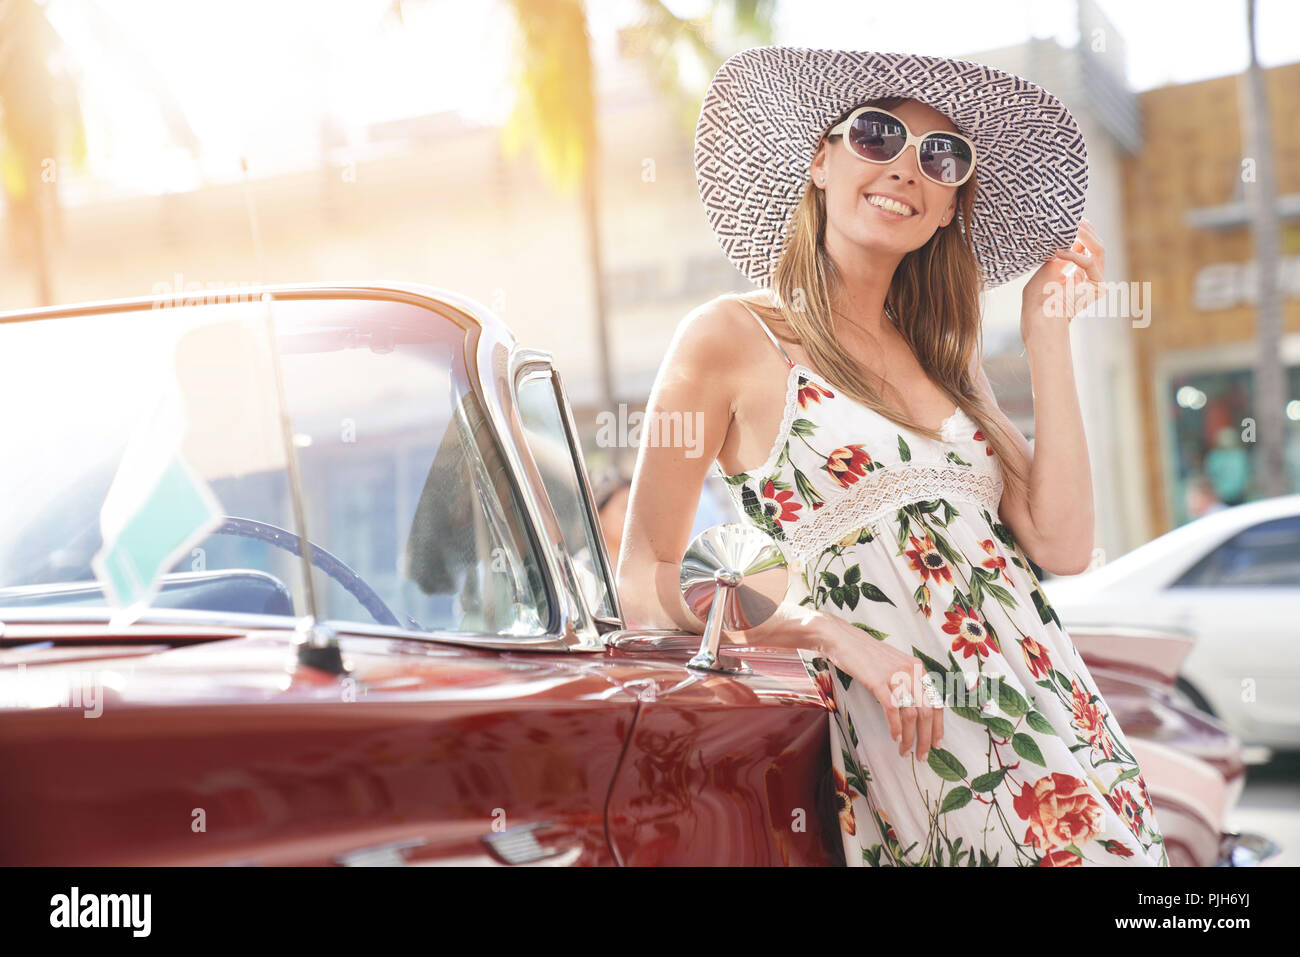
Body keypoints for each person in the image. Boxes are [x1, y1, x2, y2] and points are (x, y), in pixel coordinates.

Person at [616, 47, 1168, 867]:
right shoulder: (730, 337)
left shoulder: (946, 357)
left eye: (940, 156)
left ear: (950, 206)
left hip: (1061, 725)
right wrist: (826, 633)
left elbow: (1060, 543)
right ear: (820, 161)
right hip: (925, 748)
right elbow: (640, 579)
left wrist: (1048, 335)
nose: (906, 168)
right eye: (876, 137)